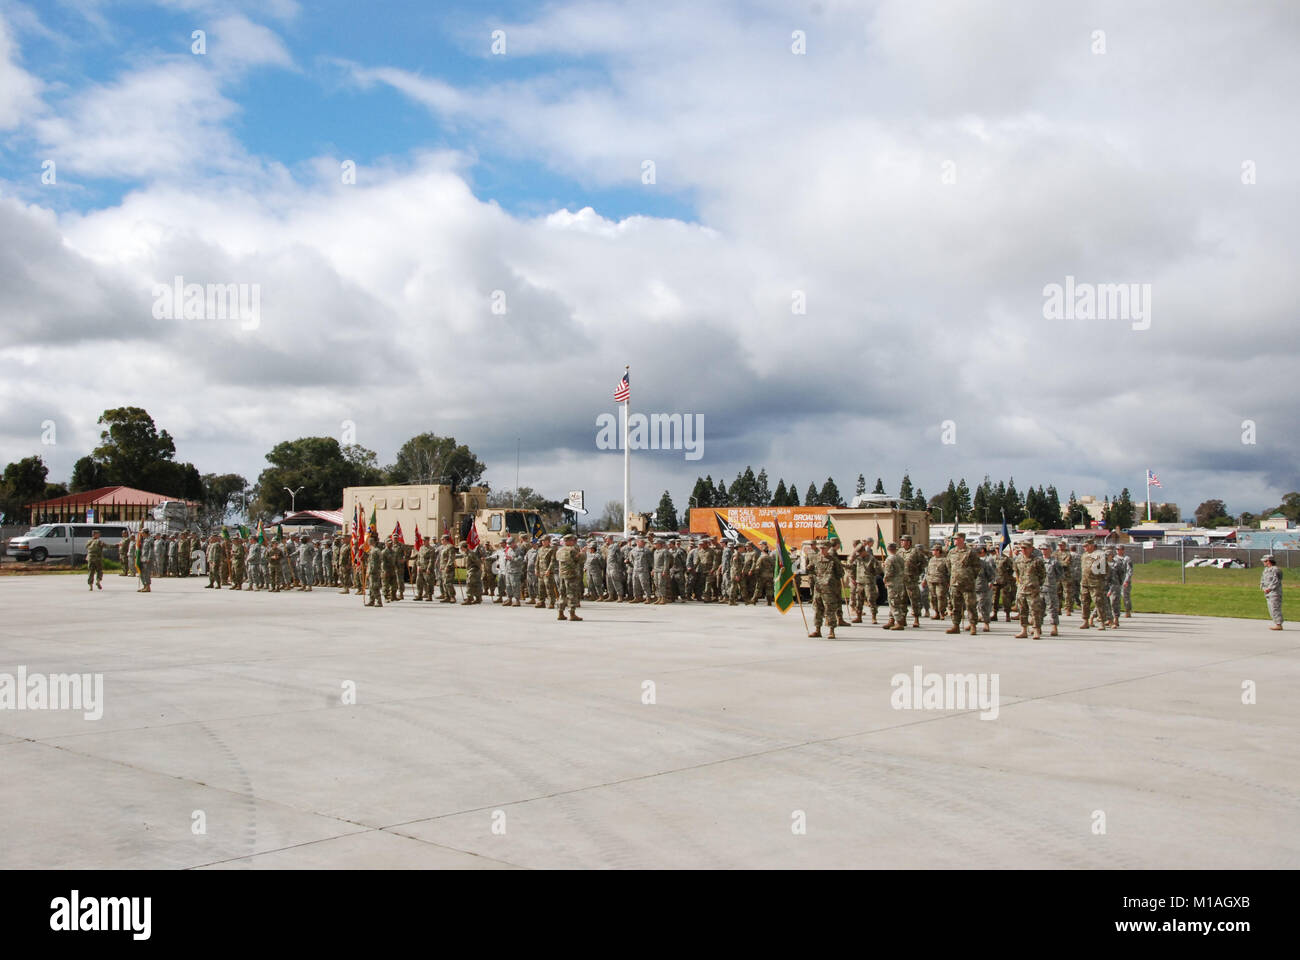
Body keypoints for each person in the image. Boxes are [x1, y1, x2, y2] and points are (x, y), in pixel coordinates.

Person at [945, 533, 980, 636]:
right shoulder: (951, 552)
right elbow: (948, 566)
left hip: (967, 583)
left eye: (957, 539)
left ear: (962, 539)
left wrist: (970, 576)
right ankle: (956, 625)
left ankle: (973, 625)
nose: (955, 540)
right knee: (955, 605)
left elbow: (977, 566)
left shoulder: (970, 552)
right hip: (955, 583)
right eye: (954, 539)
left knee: (970, 605)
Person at [1013, 540, 1046, 639]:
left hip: (1033, 590)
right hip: (1021, 589)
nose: (1023, 550)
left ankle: (1036, 630)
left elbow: (1042, 575)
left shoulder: (1037, 561)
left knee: (1035, 611)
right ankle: (1024, 630)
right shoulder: (1018, 560)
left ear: (1031, 549)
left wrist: (1036, 584)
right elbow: (1017, 573)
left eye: (1025, 548)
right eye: (1022, 548)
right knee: (1022, 610)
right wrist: (1019, 584)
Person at [808, 541, 838, 639]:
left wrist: (831, 581)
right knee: (817, 609)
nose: (821, 550)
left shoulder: (833, 560)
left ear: (828, 548)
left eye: (823, 548)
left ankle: (831, 631)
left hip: (829, 590)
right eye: (820, 548)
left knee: (829, 610)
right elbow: (811, 569)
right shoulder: (815, 558)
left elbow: (840, 573)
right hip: (818, 588)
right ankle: (817, 630)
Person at [556, 533, 584, 620]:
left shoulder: (559, 550)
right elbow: (579, 560)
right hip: (571, 575)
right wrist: (582, 553)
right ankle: (572, 614)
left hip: (562, 575)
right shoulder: (572, 550)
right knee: (571, 594)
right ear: (568, 541)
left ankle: (560, 613)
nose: (573, 542)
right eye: (572, 540)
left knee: (562, 594)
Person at [1261, 555, 1283, 630]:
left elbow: (1276, 581)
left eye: (1265, 561)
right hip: (1267, 592)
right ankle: (1276, 622)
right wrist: (1263, 588)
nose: (1263, 563)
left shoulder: (1275, 570)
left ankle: (1278, 624)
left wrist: (1269, 589)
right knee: (1271, 608)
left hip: (1275, 592)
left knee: (1275, 608)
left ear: (1269, 561)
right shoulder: (1266, 570)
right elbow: (1263, 580)